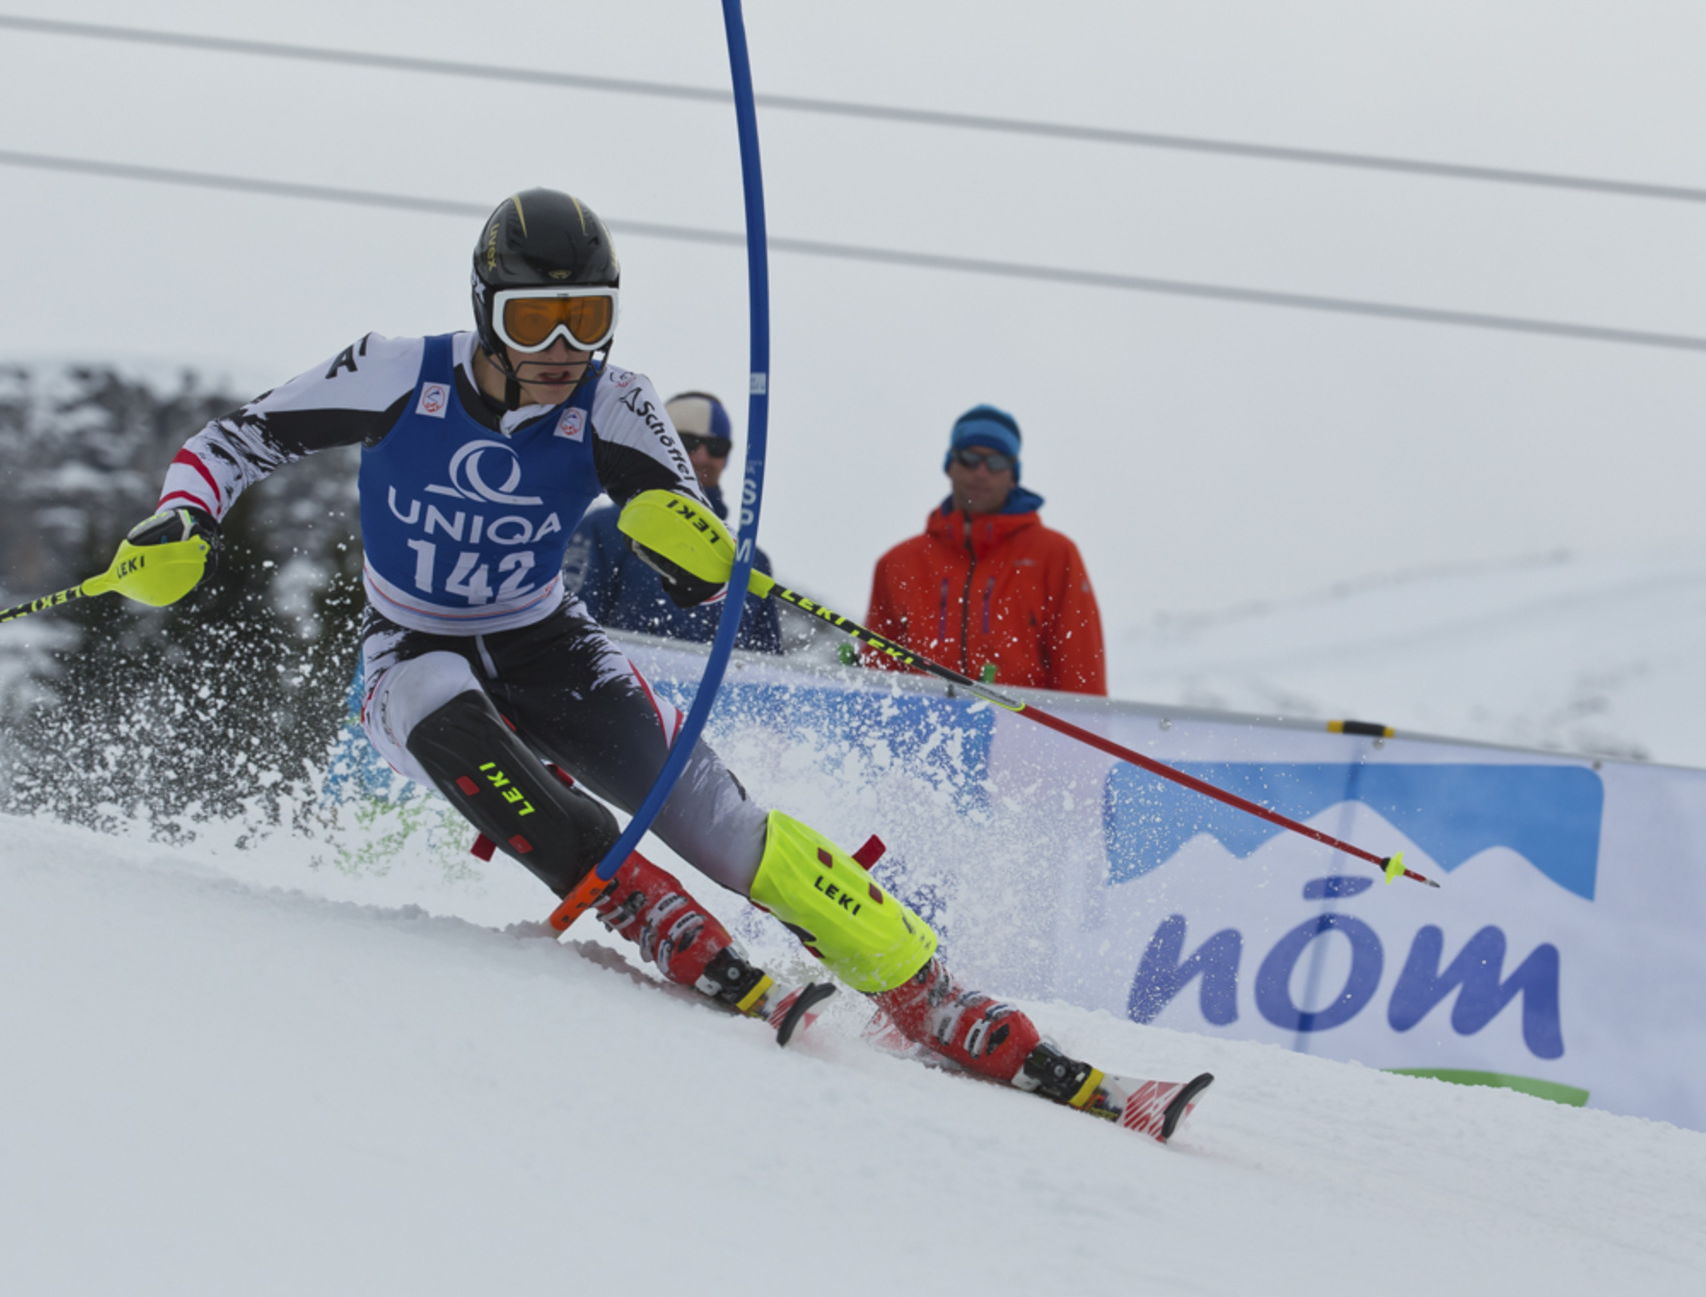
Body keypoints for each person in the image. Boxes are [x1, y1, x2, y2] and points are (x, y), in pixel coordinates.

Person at [123, 189, 1194, 1135]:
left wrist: (693, 550)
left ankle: (930, 990)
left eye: (585, 317)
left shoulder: (614, 399)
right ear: (482, 308)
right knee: (444, 712)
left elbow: (690, 554)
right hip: (411, 645)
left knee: (718, 824)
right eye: (532, 318)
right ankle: (635, 902)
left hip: (548, 640)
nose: (559, 345)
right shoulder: (401, 372)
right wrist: (182, 519)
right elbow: (230, 441)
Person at [866, 404, 1106, 694]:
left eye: (996, 462)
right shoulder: (897, 563)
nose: (981, 472)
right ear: (949, 465)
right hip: (919, 732)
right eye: (969, 458)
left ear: (1013, 473)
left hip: (1023, 733)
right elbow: (875, 679)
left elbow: (1081, 672)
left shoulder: (1055, 554)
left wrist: (1086, 734)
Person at [563, 390, 781, 652]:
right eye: (688, 442)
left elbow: (769, 669)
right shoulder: (605, 529)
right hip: (628, 687)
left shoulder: (750, 559)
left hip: (719, 692)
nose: (702, 457)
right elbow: (569, 633)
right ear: (662, 446)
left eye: (716, 447)